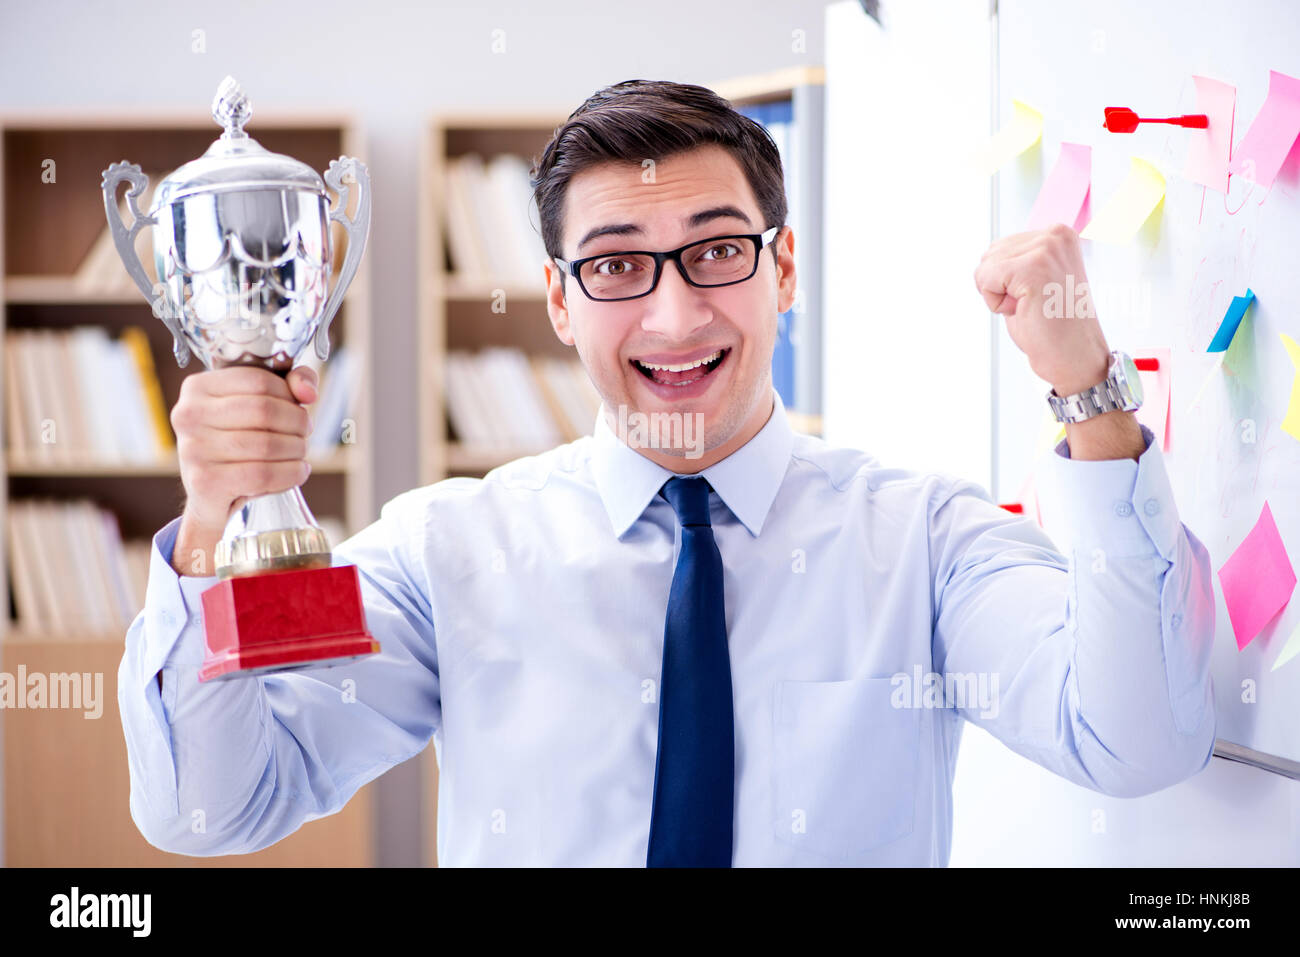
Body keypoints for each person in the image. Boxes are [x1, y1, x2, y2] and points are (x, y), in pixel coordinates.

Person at [119, 79, 1216, 867]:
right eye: (614, 265)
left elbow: (1137, 741)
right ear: (558, 300)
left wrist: (1090, 396)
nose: (676, 312)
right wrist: (218, 526)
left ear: (782, 268)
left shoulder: (926, 537)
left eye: (717, 249)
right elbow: (214, 810)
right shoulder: (435, 551)